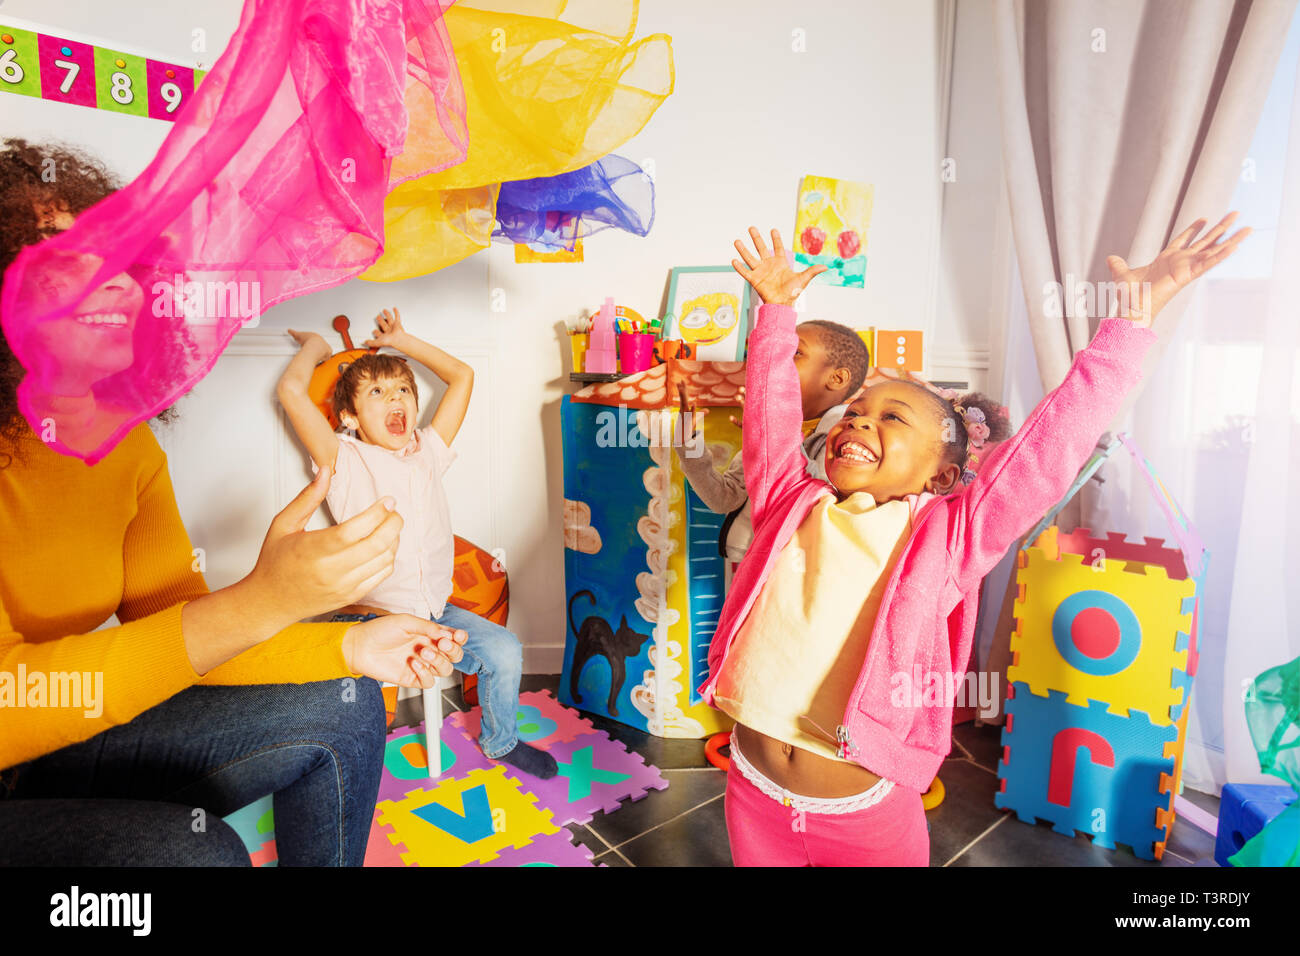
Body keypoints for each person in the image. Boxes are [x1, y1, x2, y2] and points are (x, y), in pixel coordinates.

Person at [703, 220, 1247, 867]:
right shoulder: (791, 502)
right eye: (855, 412)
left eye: (891, 417)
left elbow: (1049, 451)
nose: (859, 421)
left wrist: (1129, 324)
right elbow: (771, 418)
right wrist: (775, 316)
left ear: (942, 475)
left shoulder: (946, 536)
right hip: (754, 792)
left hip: (862, 815)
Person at [0, 139, 467, 866]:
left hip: (67, 745)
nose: (119, 284)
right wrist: (264, 600)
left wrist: (348, 643)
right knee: (202, 854)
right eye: (67, 257)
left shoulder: (125, 449)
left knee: (344, 702)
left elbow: (181, 628)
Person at [278, 308, 558, 780]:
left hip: (434, 612)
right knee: (347, 693)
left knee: (505, 650)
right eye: (377, 392)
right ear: (348, 416)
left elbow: (463, 376)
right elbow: (290, 392)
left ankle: (500, 741)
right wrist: (314, 348)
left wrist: (403, 340)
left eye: (403, 389)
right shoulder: (342, 457)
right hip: (374, 613)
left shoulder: (429, 449)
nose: (397, 399)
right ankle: (338, 758)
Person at [675, 319, 869, 562]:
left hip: (794, 567)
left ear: (837, 379)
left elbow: (811, 498)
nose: (776, 361)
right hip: (748, 561)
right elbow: (723, 498)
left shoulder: (844, 437)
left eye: (796, 352)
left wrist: (771, 441)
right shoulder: (771, 429)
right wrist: (687, 442)